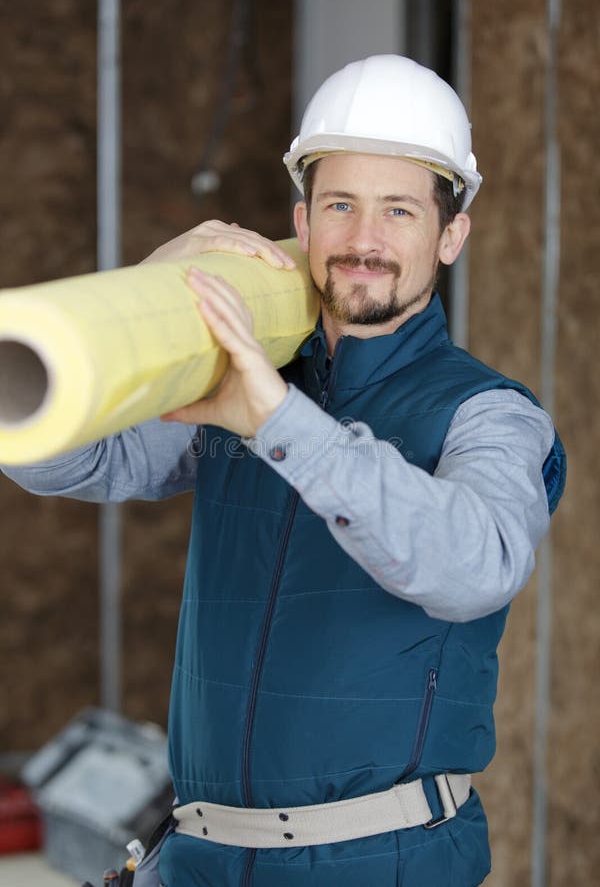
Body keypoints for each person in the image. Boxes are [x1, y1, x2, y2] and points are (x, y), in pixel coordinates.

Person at [3, 55, 565, 886]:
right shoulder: (240, 377)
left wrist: (277, 420)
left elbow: (474, 564)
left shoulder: (488, 414)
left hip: (380, 864)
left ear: (451, 234)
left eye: (399, 210)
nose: (364, 239)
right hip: (197, 856)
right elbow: (75, 458)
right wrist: (147, 289)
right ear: (303, 222)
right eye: (340, 204)